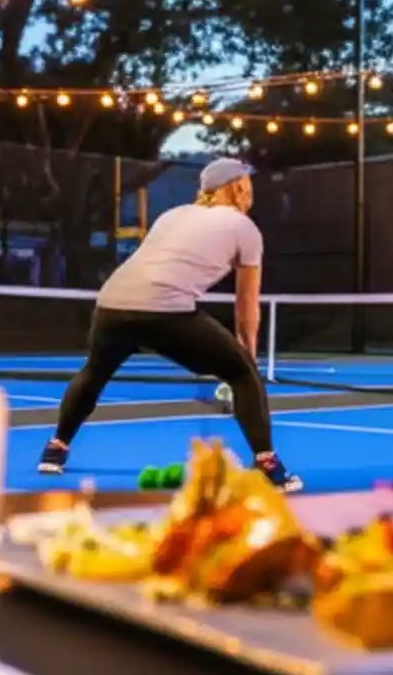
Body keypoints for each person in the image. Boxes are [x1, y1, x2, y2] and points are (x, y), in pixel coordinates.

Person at [37, 157, 303, 491]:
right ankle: (266, 463)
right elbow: (246, 305)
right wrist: (246, 359)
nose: (251, 190)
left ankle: (55, 449)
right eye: (247, 183)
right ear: (237, 187)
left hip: (110, 306)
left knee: (94, 372)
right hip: (165, 311)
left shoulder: (171, 215)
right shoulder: (244, 227)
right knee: (241, 373)